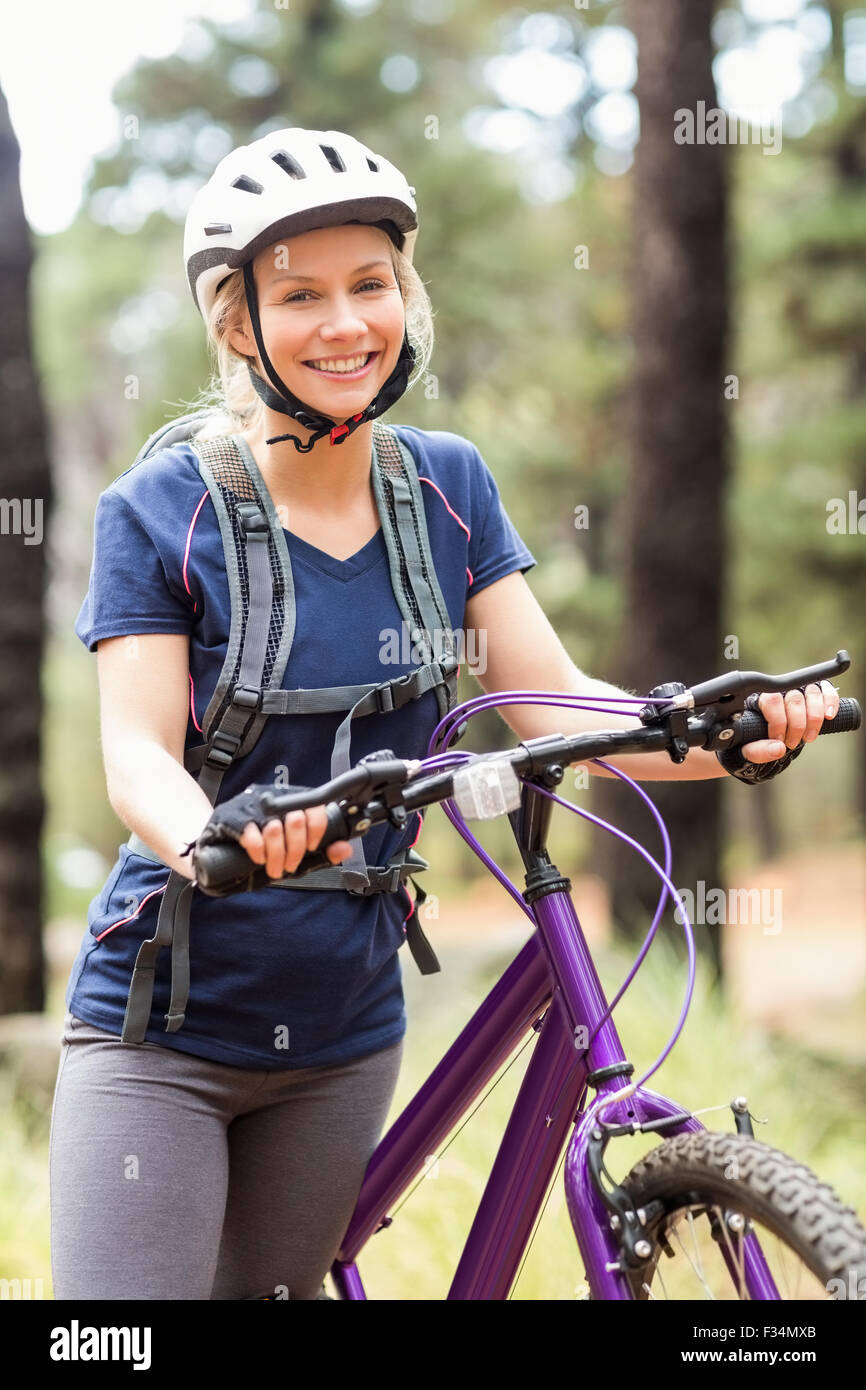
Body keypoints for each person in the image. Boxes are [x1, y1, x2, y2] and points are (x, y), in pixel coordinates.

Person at [49, 127, 839, 1303]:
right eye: (300, 294)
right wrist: (225, 835)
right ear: (234, 324)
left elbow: (558, 706)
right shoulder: (159, 512)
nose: (346, 324)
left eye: (371, 285)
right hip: (160, 1035)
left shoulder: (447, 489)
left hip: (342, 1035)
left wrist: (729, 733)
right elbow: (136, 758)